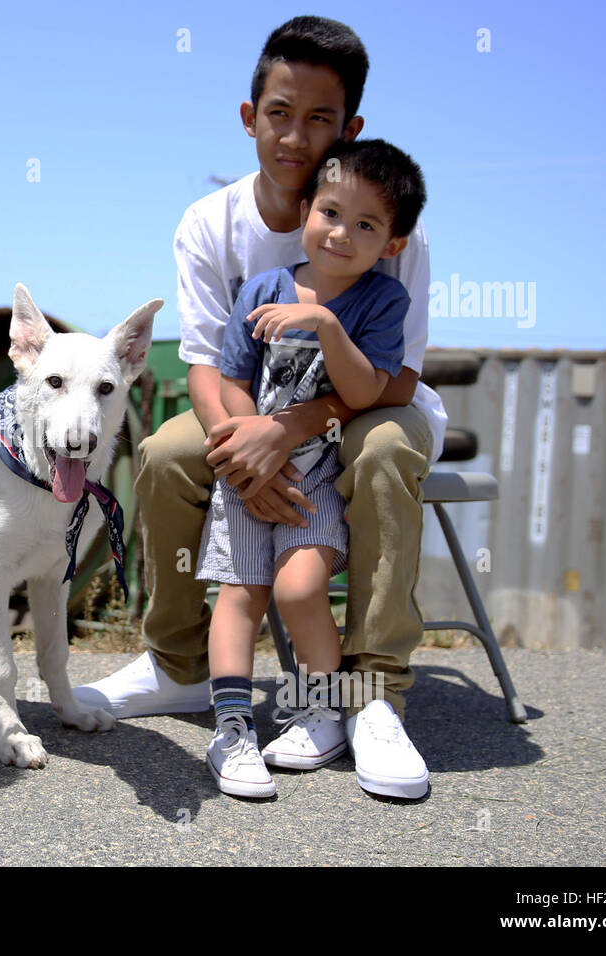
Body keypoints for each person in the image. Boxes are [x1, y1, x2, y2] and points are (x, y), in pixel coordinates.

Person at [74, 15, 447, 800]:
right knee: (171, 453)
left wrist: (287, 432)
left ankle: (370, 692)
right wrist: (242, 453)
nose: (297, 136)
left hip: (371, 404)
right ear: (250, 117)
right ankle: (179, 665)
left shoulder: (387, 226)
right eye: (280, 113)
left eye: (321, 119)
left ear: (350, 127)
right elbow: (208, 364)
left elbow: (398, 382)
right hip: (248, 403)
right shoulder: (211, 225)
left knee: (380, 450)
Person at [199, 139, 426, 798]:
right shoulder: (262, 290)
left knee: (300, 590)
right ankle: (233, 727)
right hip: (247, 480)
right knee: (240, 595)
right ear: (306, 209)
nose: (341, 233)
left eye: (366, 225)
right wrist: (249, 453)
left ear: (392, 244)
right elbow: (232, 379)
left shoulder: (381, 304)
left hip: (317, 479)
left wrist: (325, 323)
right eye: (330, 212)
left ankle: (323, 710)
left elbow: (362, 395)